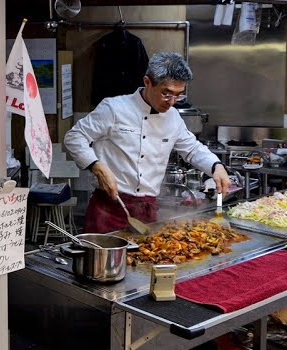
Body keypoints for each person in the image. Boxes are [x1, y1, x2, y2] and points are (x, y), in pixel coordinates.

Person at [64, 52, 231, 234]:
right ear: (147, 82)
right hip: (109, 207)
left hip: (147, 210)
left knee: (147, 260)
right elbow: (74, 137)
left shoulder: (173, 117)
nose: (172, 102)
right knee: (102, 262)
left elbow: (192, 148)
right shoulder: (114, 108)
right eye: (166, 94)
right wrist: (96, 166)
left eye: (178, 96)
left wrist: (216, 166)